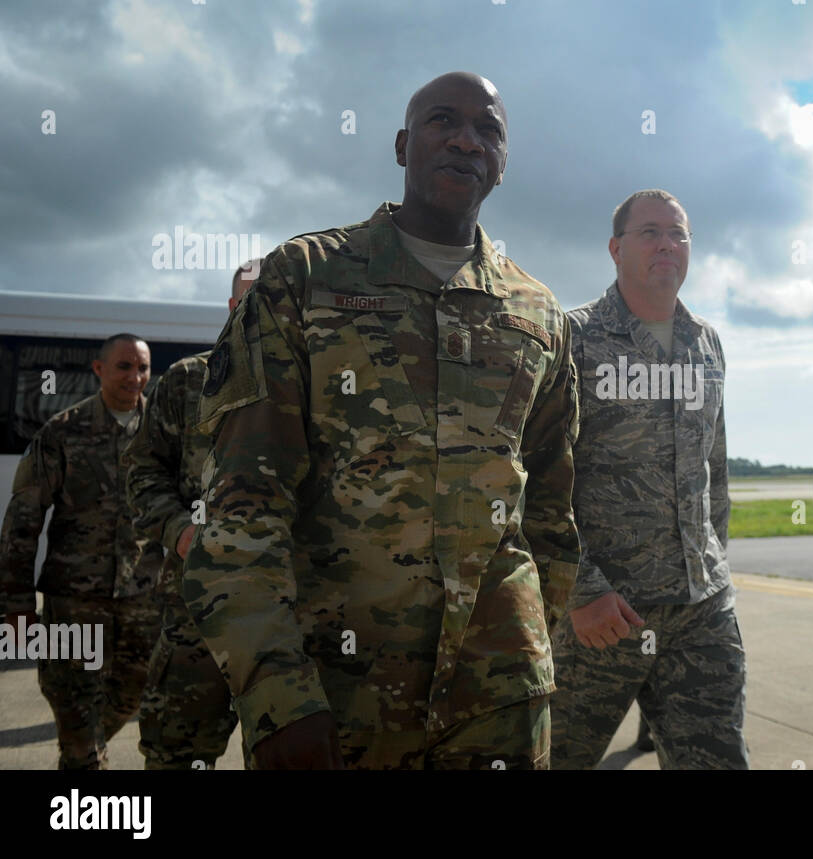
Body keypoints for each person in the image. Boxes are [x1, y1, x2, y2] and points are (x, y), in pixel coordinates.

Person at [182, 72, 581, 770]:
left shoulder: (539, 313)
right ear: (402, 145)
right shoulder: (305, 278)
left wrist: (528, 647)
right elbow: (244, 501)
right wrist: (274, 690)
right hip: (336, 693)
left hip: (500, 701)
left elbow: (550, 505)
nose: (465, 138)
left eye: (488, 129)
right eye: (441, 121)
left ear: (504, 161)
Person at [550, 189, 748, 770]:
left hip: (701, 611)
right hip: (604, 615)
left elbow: (715, 468)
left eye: (679, 233)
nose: (668, 244)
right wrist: (580, 593)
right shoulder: (573, 338)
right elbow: (535, 476)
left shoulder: (705, 343)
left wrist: (714, 562)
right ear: (616, 248)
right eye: (650, 232)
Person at [0, 334, 163, 769]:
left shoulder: (163, 434)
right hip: (74, 604)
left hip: (141, 603)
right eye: (124, 366)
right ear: (99, 369)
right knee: (73, 709)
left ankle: (88, 750)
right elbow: (22, 522)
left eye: (143, 368)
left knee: (130, 696)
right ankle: (83, 763)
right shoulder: (62, 433)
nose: (136, 377)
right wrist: (16, 606)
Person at [125, 263, 258, 769]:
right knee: (176, 755)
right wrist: (179, 532)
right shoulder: (187, 383)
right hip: (196, 613)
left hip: (296, 619)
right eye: (252, 300)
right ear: (230, 308)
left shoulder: (323, 390)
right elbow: (142, 473)